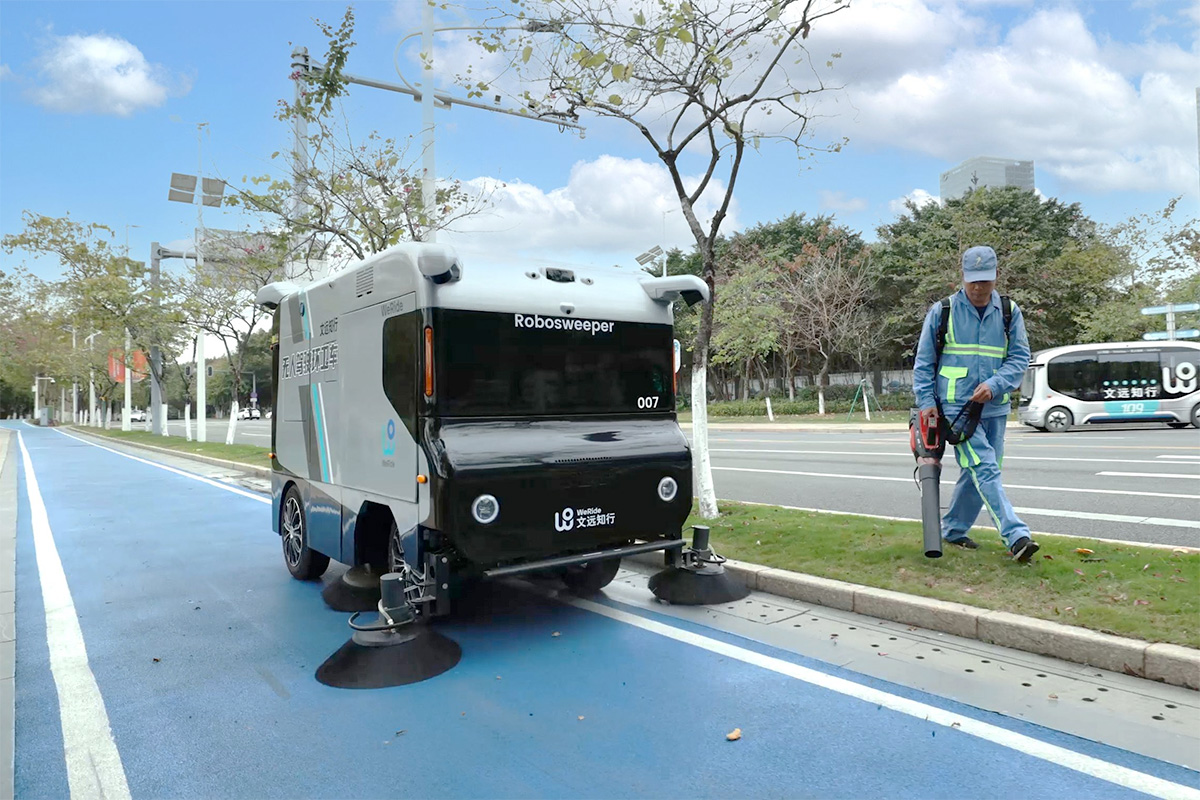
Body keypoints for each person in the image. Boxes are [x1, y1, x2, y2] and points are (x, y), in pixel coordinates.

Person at [912, 246, 1039, 562]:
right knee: (985, 467)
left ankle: (953, 529)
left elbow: (1020, 357)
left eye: (986, 281)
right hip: (955, 408)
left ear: (996, 276)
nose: (979, 288)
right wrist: (927, 403)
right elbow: (924, 362)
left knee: (978, 472)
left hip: (994, 407)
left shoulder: (1010, 311)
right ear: (963, 278)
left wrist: (995, 385)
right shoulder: (943, 311)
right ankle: (1016, 535)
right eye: (973, 282)